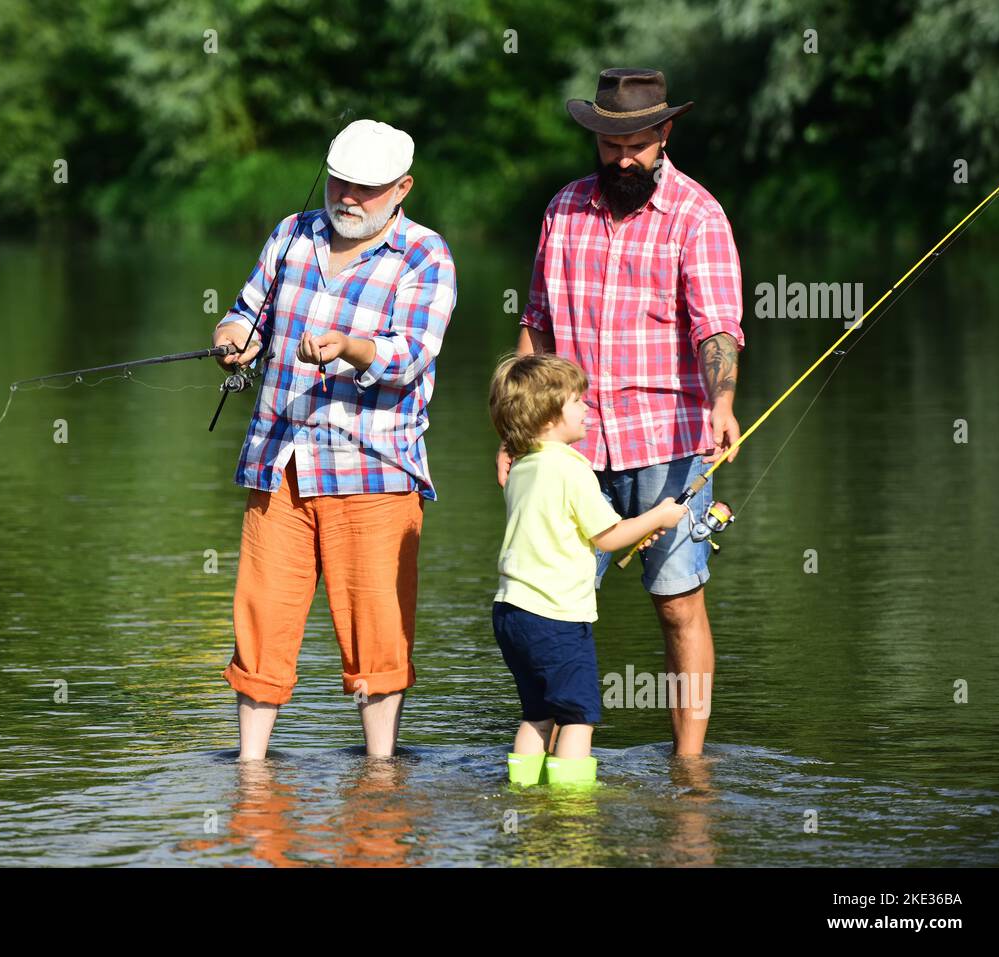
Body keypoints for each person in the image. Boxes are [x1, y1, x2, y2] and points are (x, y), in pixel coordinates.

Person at [499, 68, 745, 755]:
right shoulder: (563, 209)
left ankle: (689, 764)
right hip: (565, 449)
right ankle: (543, 753)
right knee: (546, 604)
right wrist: (514, 433)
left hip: (668, 445)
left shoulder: (699, 215)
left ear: (665, 133)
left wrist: (722, 402)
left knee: (677, 603)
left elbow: (717, 328)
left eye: (636, 143)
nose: (623, 158)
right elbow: (537, 326)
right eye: (611, 145)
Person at [212, 119, 457, 761]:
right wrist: (231, 340)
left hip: (374, 469)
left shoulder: (425, 254)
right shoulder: (290, 235)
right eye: (341, 180)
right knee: (261, 618)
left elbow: (410, 356)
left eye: (367, 188)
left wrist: (349, 348)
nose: (348, 196)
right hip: (278, 460)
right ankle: (250, 769)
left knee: (377, 631)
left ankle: (380, 772)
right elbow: (246, 313)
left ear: (402, 188)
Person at [489, 353, 687, 786]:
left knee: (537, 713)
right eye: (578, 401)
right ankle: (572, 810)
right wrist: (659, 517)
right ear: (549, 414)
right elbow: (609, 537)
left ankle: (521, 794)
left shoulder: (523, 465)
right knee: (578, 715)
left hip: (511, 613)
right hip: (555, 616)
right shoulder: (572, 468)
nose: (586, 409)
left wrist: (634, 529)